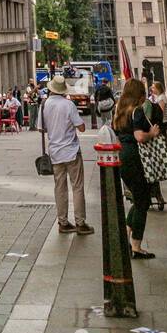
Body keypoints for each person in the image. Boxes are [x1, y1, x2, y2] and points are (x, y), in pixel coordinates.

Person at [40, 76, 94, 235]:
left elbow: (41, 128)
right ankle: (80, 222)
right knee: (77, 187)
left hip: (55, 152)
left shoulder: (44, 104)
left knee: (60, 188)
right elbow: (82, 127)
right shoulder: (68, 104)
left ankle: (63, 222)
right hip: (71, 150)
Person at [114, 78, 157, 259]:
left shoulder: (120, 111)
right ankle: (136, 246)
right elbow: (140, 137)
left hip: (123, 155)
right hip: (136, 157)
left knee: (140, 199)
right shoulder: (137, 112)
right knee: (142, 202)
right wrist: (152, 133)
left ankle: (127, 232)